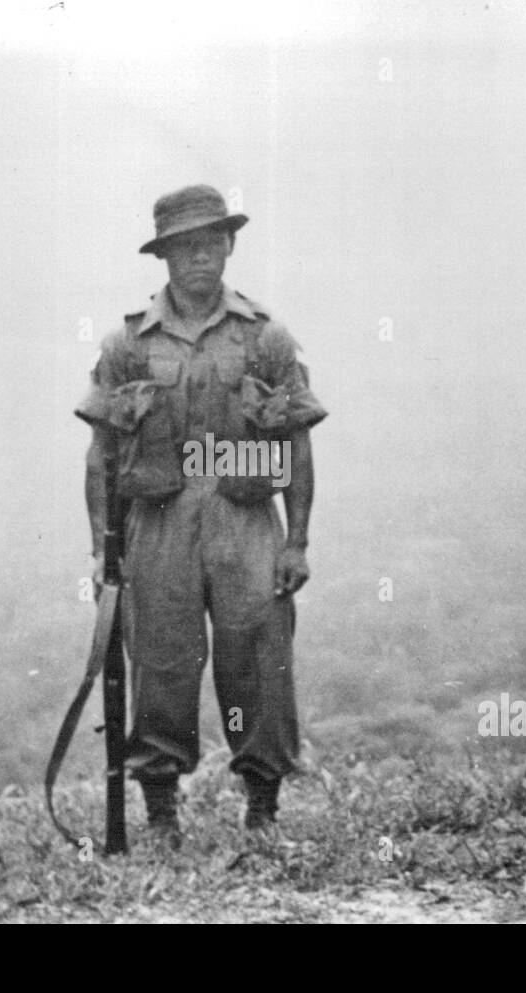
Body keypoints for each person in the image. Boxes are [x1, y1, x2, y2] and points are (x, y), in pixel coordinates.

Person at [76, 185, 327, 844]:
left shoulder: (266, 336)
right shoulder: (127, 342)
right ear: (164, 256)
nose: (199, 259)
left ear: (229, 245)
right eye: (185, 247)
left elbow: (297, 440)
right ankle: (160, 814)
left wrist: (297, 541)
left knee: (259, 654)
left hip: (245, 511)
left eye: (211, 243)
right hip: (157, 517)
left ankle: (263, 808)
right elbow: (101, 453)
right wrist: (104, 552)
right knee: (160, 659)